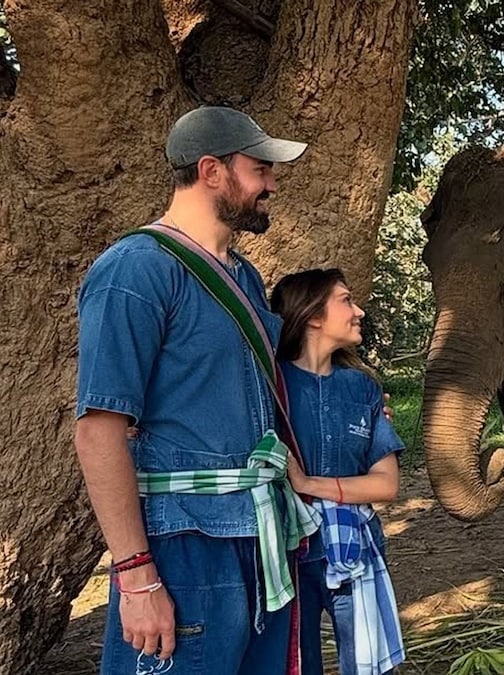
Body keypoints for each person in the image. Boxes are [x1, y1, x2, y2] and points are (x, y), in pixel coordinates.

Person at [74, 105, 314, 674]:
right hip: (185, 546)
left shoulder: (246, 277)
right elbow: (98, 432)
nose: (272, 184)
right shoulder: (135, 271)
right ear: (212, 171)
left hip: (258, 537)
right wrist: (135, 576)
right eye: (260, 169)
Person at [270, 268, 406, 675]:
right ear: (313, 315)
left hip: (355, 551)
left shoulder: (361, 388)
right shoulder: (269, 386)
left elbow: (386, 484)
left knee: (367, 666)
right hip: (287, 556)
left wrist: (309, 484)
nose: (359, 310)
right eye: (346, 300)